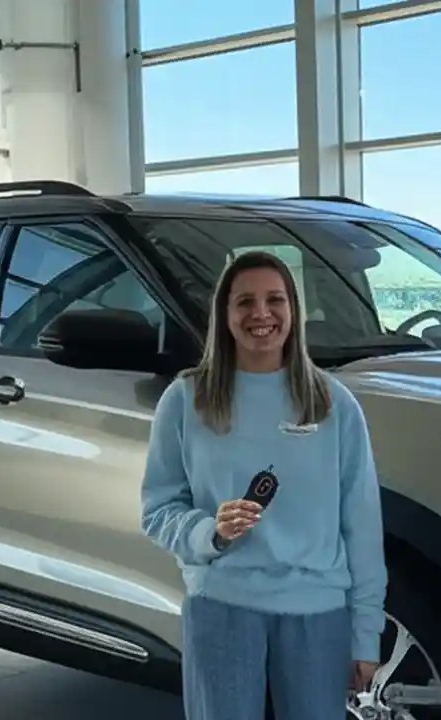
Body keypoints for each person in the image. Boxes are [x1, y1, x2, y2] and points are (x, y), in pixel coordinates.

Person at [140, 250, 388, 720]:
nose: (261, 313)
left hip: (317, 614)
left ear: (293, 312)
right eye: (245, 302)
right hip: (222, 606)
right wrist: (208, 531)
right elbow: (157, 509)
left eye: (275, 299)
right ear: (224, 315)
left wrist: (365, 634)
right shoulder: (185, 401)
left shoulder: (335, 405)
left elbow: (362, 527)